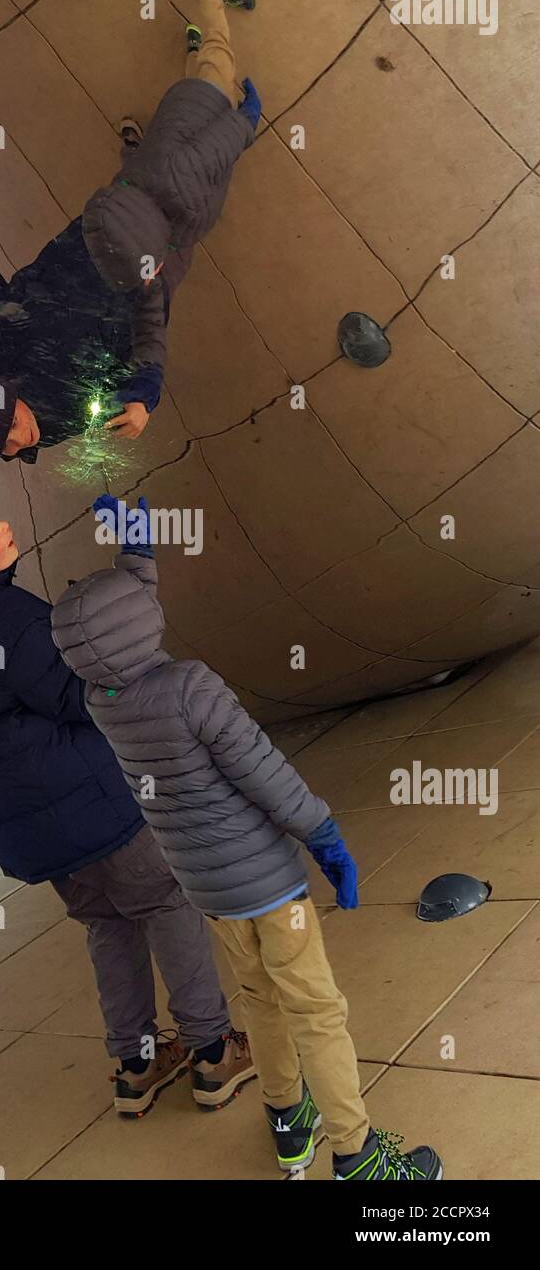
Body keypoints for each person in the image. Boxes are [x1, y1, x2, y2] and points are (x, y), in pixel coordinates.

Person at [49, 497, 444, 1180]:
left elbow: (115, 633)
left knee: (259, 999)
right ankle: (357, 1154)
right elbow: (264, 772)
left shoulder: (102, 699)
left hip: (206, 887)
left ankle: (289, 1123)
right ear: (142, 627)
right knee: (317, 1010)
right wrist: (323, 834)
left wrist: (135, 559)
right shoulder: (192, 688)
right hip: (268, 883)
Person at [0, 500, 255, 1116]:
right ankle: (214, 1051)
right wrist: (134, 577)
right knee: (166, 905)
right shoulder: (4, 619)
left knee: (108, 926)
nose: (5, 526)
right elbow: (88, 692)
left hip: (35, 831)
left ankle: (137, 1067)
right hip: (96, 805)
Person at [0, 0, 261, 465]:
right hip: (134, 254)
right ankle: (194, 59)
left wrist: (246, 121)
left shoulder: (15, 333)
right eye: (8, 446)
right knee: (178, 158)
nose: (23, 439)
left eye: (12, 428)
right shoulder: (47, 415)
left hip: (124, 250)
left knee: (211, 98)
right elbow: (106, 385)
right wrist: (133, 399)